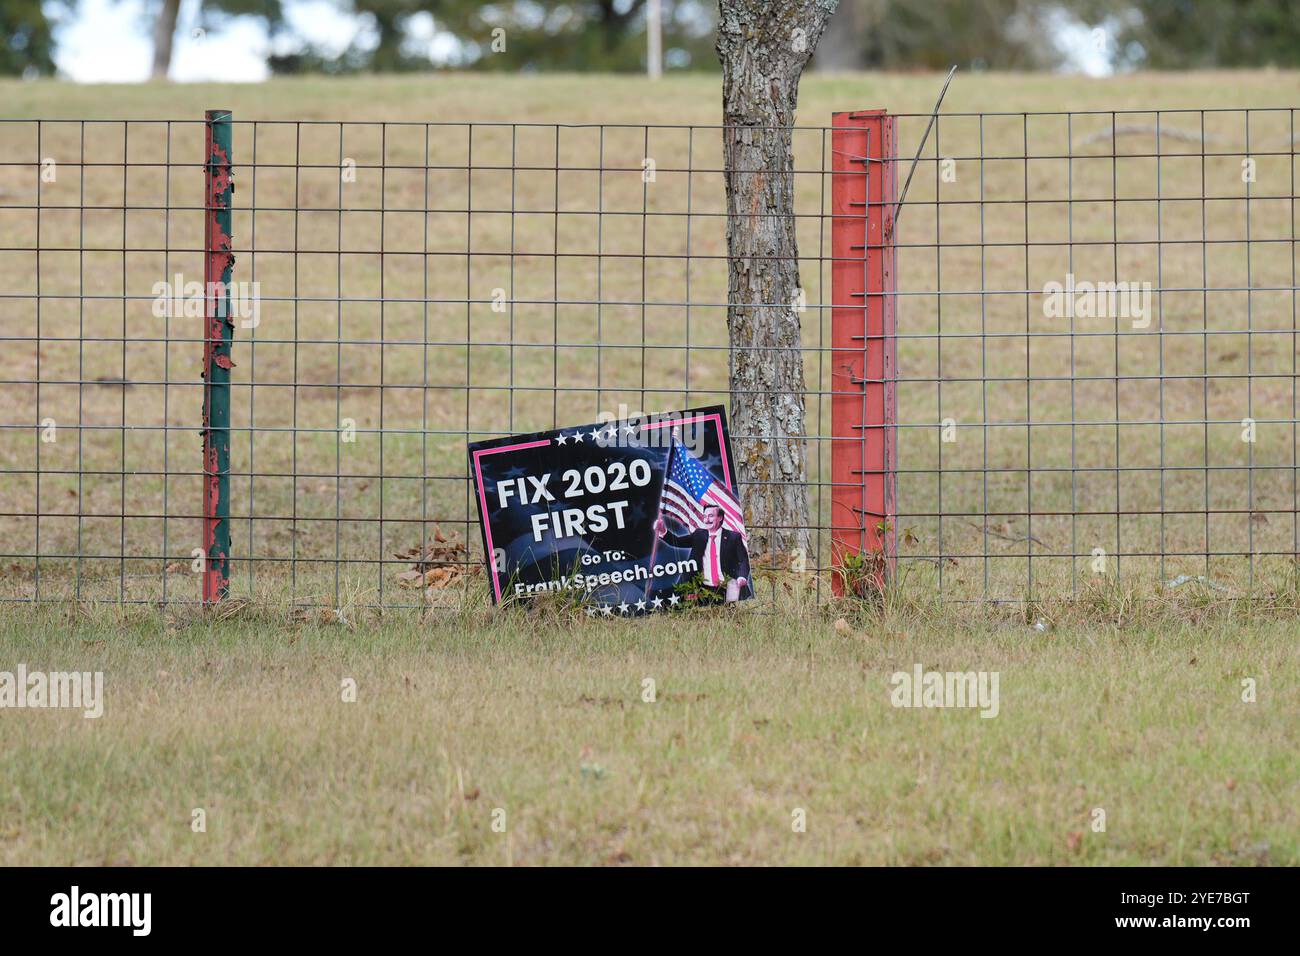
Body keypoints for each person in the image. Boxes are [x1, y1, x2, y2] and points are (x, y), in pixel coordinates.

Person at [654, 505, 751, 602]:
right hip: (702, 589)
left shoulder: (733, 537)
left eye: (711, 516)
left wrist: (742, 576)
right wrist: (663, 531)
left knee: (730, 613)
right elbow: (678, 542)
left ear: (720, 518)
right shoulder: (699, 534)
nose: (707, 520)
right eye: (705, 516)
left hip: (726, 587)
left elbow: (743, 560)